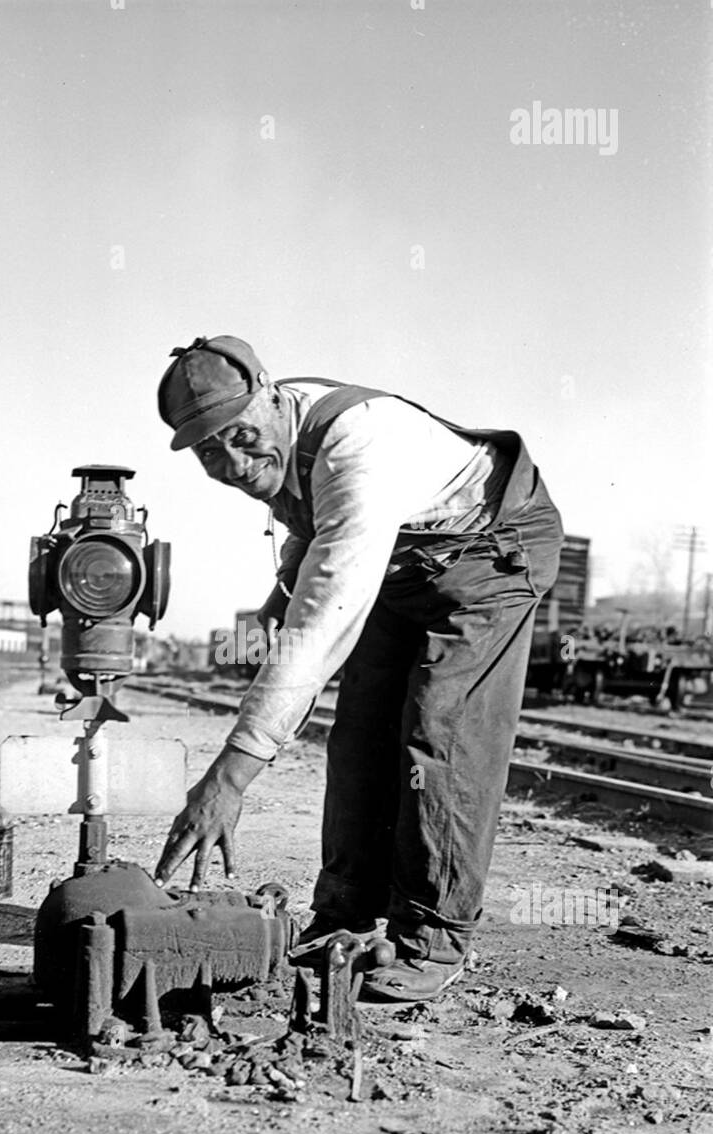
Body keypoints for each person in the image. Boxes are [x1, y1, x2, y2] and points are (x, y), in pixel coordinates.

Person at [153, 335, 563, 1002]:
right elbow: (313, 525)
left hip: (490, 554)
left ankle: (431, 939)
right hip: (407, 560)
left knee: (440, 737)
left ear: (274, 398)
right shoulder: (290, 432)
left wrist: (229, 778)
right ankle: (344, 913)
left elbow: (318, 634)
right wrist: (281, 590)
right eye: (208, 451)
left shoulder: (356, 447)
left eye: (242, 435)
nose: (231, 461)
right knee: (359, 736)